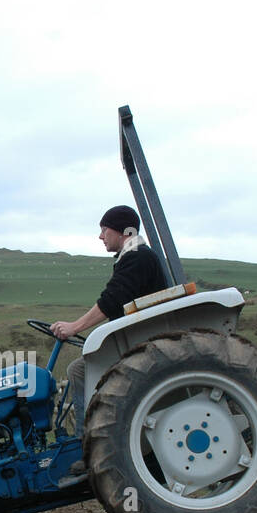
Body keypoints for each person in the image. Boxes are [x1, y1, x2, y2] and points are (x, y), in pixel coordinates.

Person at [52, 205, 168, 479]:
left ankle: (90, 447)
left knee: (79, 370)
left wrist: (74, 327)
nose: (100, 237)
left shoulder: (137, 257)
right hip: (135, 339)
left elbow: (112, 299)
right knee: (79, 368)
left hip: (141, 343)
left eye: (104, 230)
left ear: (122, 230)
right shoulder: (134, 257)